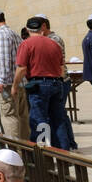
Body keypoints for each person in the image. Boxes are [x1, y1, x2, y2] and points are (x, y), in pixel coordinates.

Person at [14, 16, 68, 149]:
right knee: (58, 121)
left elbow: (21, 68)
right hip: (57, 83)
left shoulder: (26, 44)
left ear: (27, 29)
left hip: (39, 85)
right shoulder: (54, 44)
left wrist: (14, 86)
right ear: (42, 28)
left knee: (39, 121)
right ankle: (64, 156)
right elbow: (62, 68)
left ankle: (42, 158)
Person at [0, 9, 26, 141]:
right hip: (18, 82)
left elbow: (4, 59)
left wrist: (0, 81)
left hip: (8, 84)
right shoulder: (14, 33)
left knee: (9, 117)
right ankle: (27, 152)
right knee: (22, 116)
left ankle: (16, 152)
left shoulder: (2, 34)